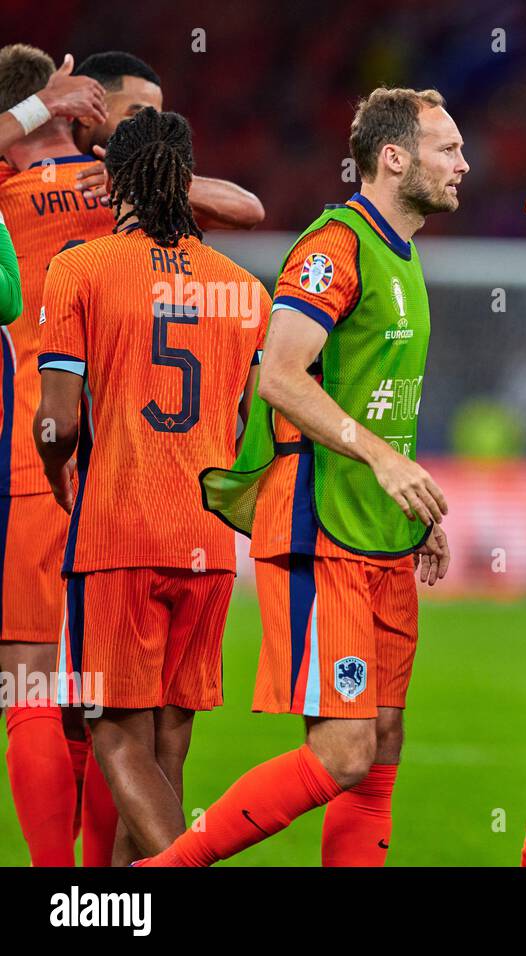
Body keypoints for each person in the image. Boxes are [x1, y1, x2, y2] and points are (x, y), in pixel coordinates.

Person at [144, 86, 461, 866]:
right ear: (394, 158)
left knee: (384, 742)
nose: (464, 162)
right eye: (447, 148)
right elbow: (280, 377)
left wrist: (414, 508)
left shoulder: (405, 254)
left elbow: (382, 404)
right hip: (321, 526)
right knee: (346, 752)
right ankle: (160, 872)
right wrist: (383, 460)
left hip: (379, 530)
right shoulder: (334, 246)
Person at [34, 107, 267, 865]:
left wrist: (56, 473)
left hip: (117, 530)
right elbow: (257, 426)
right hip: (204, 538)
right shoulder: (245, 291)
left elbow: (58, 424)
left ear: (114, 181)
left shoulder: (81, 267)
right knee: (169, 743)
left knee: (111, 732)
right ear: (188, 182)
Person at [0, 42, 117, 868]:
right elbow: (239, 208)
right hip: (129, 467)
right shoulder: (122, 192)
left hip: (37, 454)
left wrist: (42, 103)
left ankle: (53, 886)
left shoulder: (4, 199)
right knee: (103, 697)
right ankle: (111, 885)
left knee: (31, 685)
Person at [69, 51, 264, 230]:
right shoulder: (43, 171)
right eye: (136, 115)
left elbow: (250, 211)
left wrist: (157, 180)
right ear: (87, 113)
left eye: (155, 120)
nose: (149, 131)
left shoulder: (150, 194)